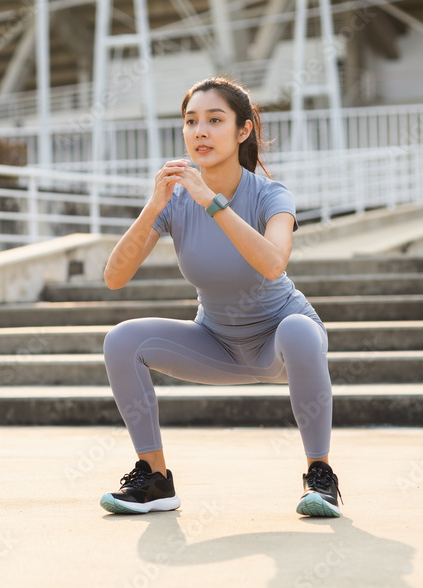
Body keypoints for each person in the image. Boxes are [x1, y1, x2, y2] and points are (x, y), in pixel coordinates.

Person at [99, 77, 341, 517]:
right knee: (121, 341)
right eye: (191, 122)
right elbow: (114, 277)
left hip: (279, 342)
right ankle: (155, 479)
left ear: (243, 130)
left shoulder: (271, 194)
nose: (200, 132)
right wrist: (154, 206)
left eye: (214, 120)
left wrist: (212, 201)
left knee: (300, 331)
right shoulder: (174, 202)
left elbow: (273, 263)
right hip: (217, 342)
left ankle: (320, 478)